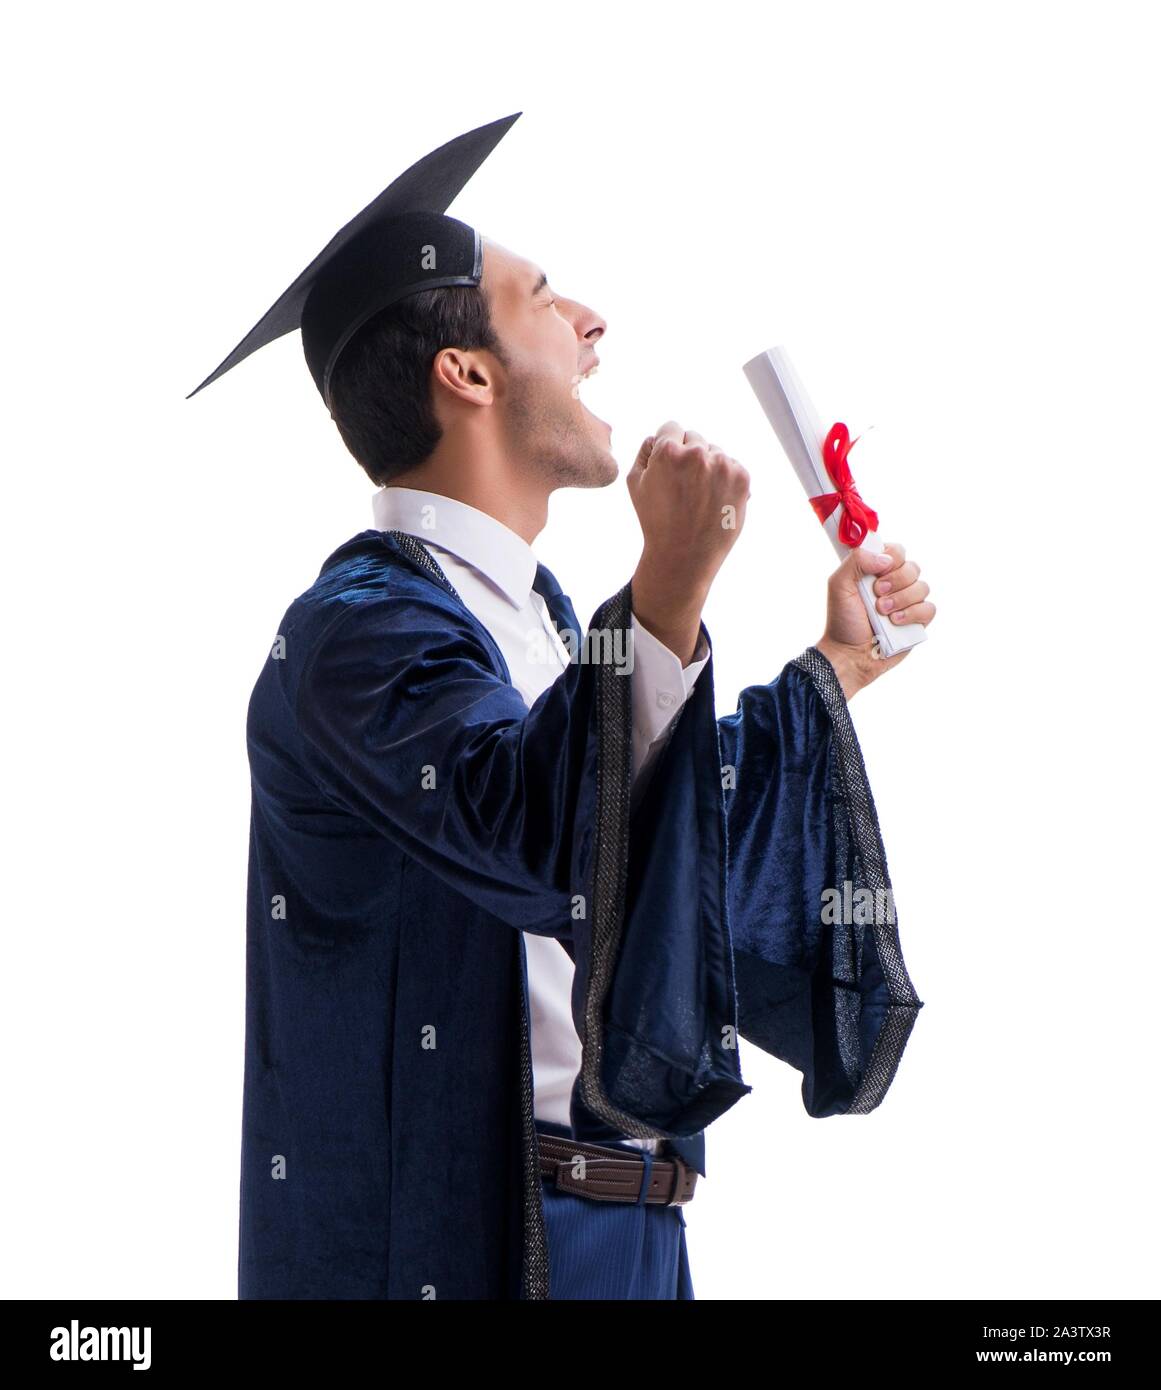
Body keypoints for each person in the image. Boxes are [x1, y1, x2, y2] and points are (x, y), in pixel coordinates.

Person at [190, 114, 934, 1300]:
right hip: (473, 1243)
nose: (591, 323)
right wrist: (663, 592)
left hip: (643, 1232)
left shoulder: (535, 620)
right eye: (544, 297)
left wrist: (830, 669)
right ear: (468, 371)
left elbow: (644, 830)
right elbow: (533, 833)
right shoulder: (352, 633)